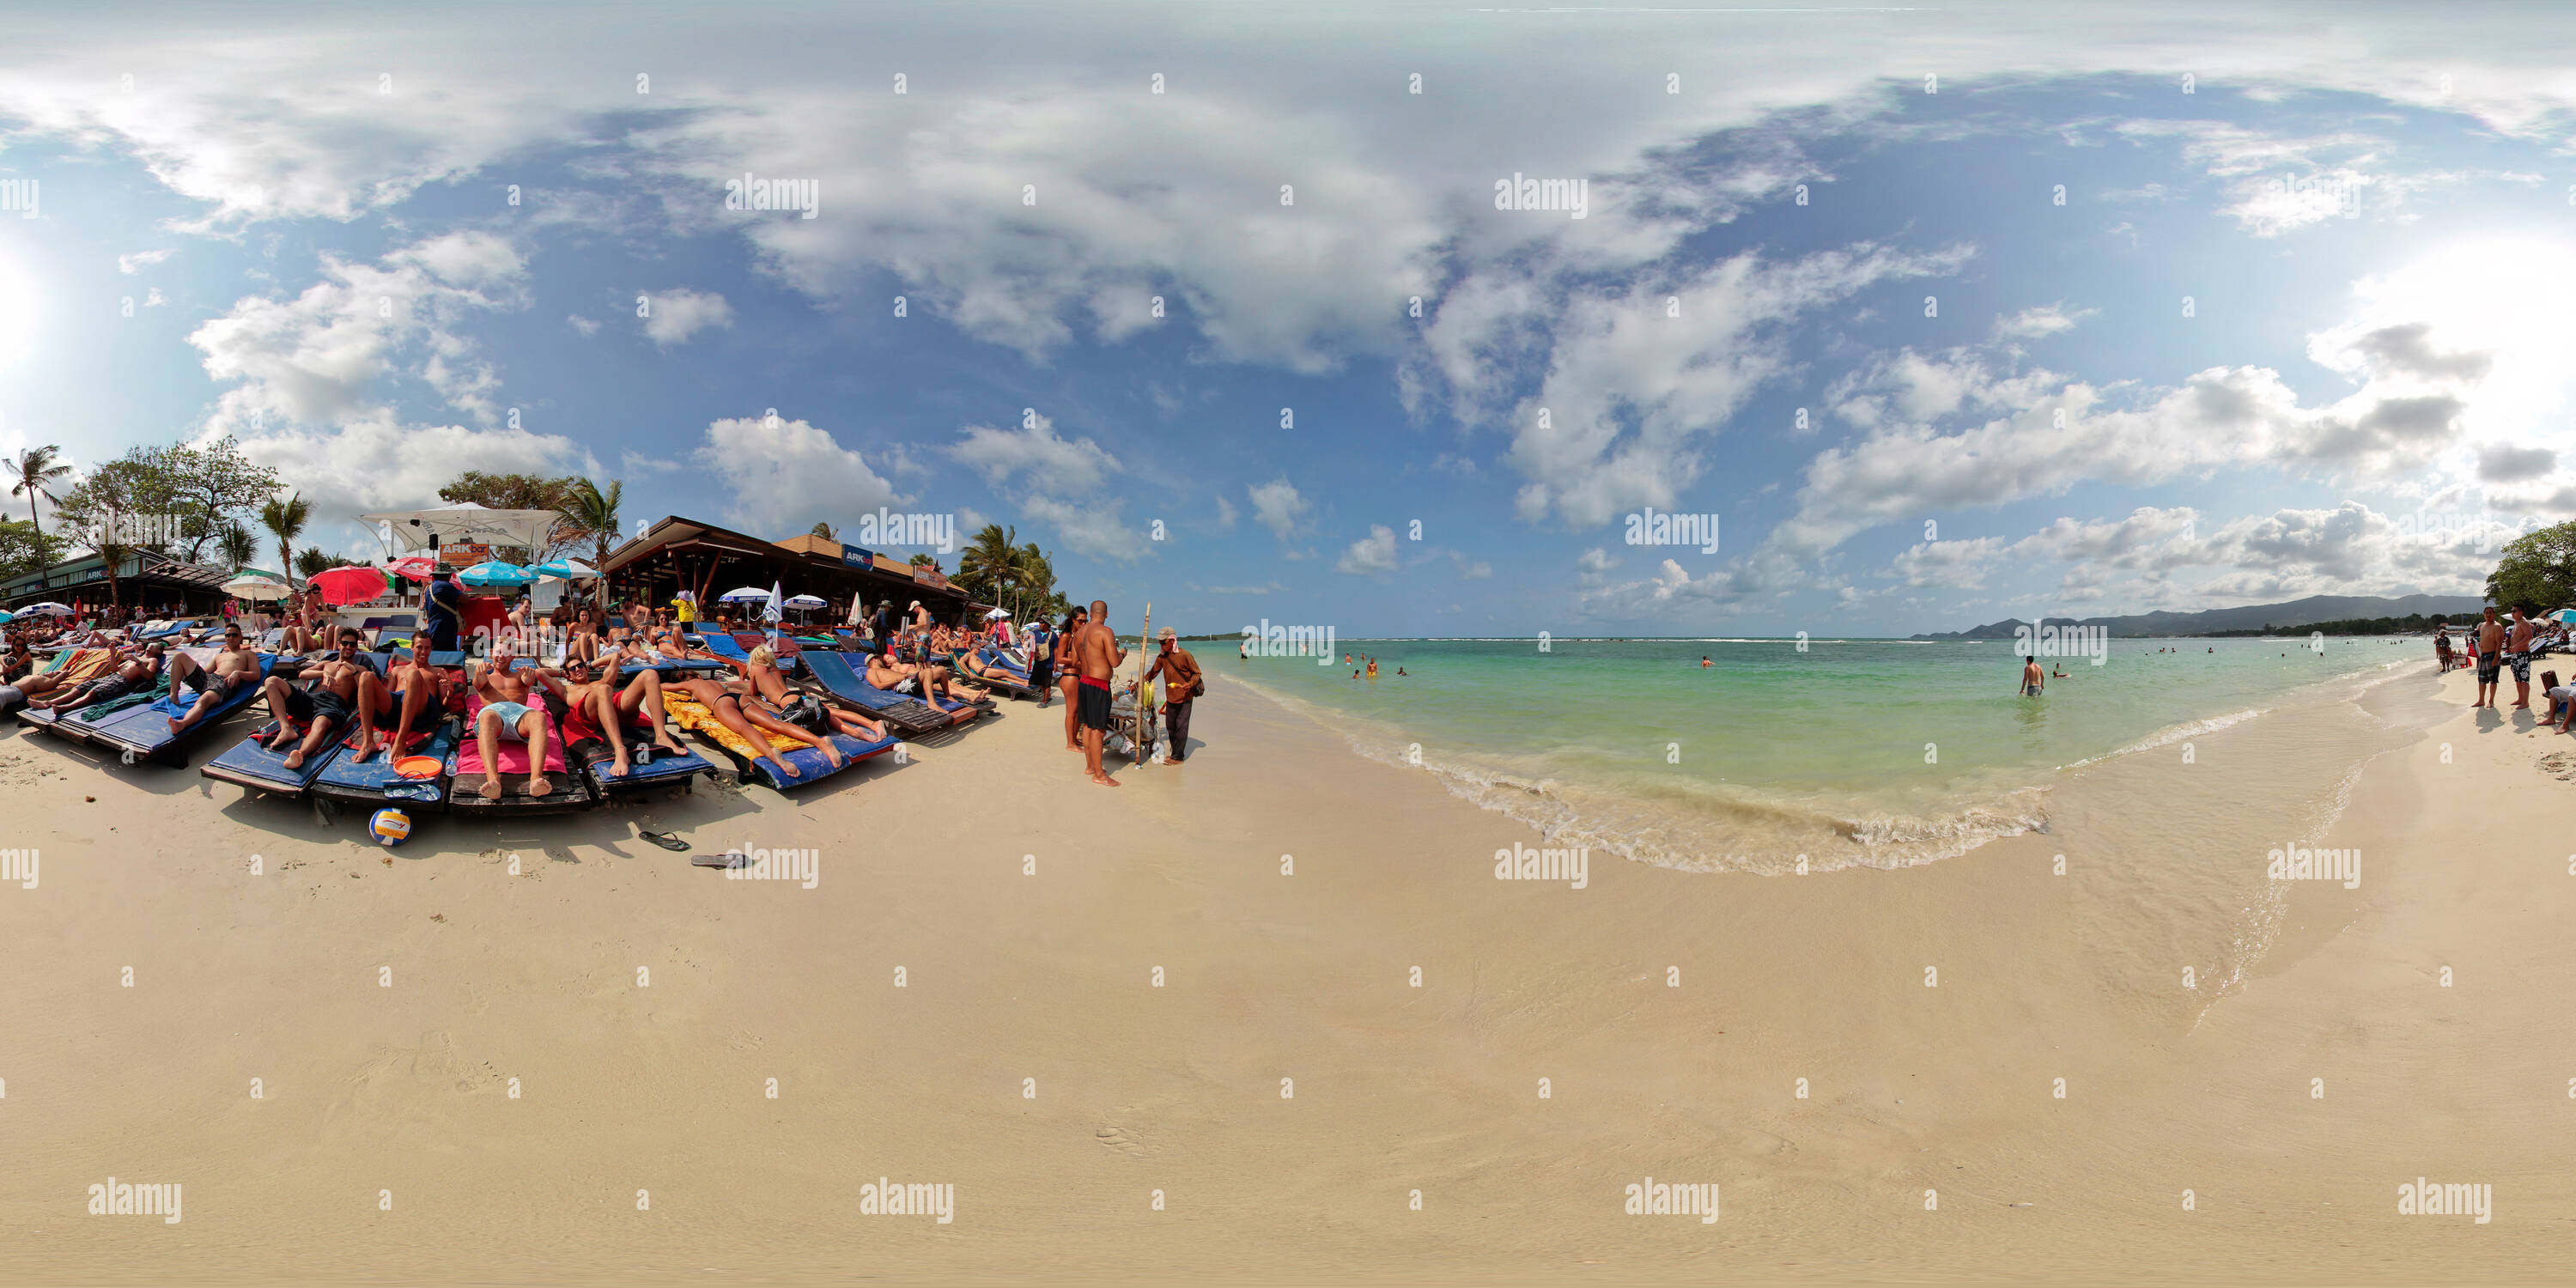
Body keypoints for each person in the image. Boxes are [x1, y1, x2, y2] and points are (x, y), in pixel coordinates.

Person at [669, 675, 843, 780]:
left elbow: (665, 687)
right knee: (776, 724)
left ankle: (772, 754)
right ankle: (820, 743)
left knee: (746, 729)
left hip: (721, 704)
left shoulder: (691, 684)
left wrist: (686, 690)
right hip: (739, 697)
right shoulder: (712, 681)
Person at [260, 629, 370, 770]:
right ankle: (286, 728)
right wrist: (323, 673)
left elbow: (365, 687)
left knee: (321, 724)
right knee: (272, 681)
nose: (348, 647)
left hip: (332, 704)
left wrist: (352, 670)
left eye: (352, 645)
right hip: (311, 699)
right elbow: (303, 674)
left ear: (356, 647)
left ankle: (299, 755)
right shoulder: (326, 664)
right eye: (345, 643)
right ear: (339, 645)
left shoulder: (359, 668)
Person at [467, 639, 563, 799]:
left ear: (512, 657)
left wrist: (528, 677)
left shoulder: (520, 676)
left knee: (539, 716)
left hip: (520, 715)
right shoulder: (485, 677)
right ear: (492, 653)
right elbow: (478, 683)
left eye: (506, 653)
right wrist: (479, 674)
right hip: (495, 715)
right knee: (487, 716)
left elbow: (528, 682)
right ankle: (493, 781)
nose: (501, 656)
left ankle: (536, 780)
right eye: (498, 652)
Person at [348, 636, 451, 762]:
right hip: (398, 705)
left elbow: (444, 704)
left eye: (427, 648)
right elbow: (388, 694)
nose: (423, 651)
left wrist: (450, 692)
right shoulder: (397, 670)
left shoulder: (438, 671)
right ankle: (368, 741)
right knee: (365, 676)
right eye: (419, 647)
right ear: (412, 648)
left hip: (422, 707)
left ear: (431, 650)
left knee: (413, 674)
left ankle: (400, 740)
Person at [166, 623, 262, 736]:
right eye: (228, 635)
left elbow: (256, 675)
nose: (231, 638)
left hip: (224, 682)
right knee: (179, 656)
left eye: (234, 635)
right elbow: (205, 672)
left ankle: (182, 724)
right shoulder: (219, 656)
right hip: (209, 679)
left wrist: (238, 673)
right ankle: (174, 695)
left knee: (202, 700)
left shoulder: (248, 654)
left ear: (241, 636)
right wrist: (187, 673)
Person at [29, 643, 164, 716]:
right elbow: (115, 669)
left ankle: (64, 708)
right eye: (148, 647)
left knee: (93, 692)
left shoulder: (152, 660)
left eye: (152, 647)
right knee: (78, 689)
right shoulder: (135, 658)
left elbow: (149, 676)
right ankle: (47, 702)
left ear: (159, 652)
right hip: (112, 677)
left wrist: (138, 661)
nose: (148, 648)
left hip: (121, 682)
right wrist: (112, 654)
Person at [1074, 598, 1124, 787]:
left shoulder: (1079, 633)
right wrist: (1122, 654)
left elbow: (1075, 659)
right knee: (1098, 730)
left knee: (1087, 726)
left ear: (1091, 612)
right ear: (1106, 614)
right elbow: (1114, 661)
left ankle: (1090, 767)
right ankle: (1099, 774)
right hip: (1098, 685)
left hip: (1084, 682)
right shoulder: (1105, 632)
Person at [1143, 627, 1201, 763]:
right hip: (1171, 697)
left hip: (1185, 697)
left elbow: (1197, 673)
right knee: (1170, 726)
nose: (1161, 645)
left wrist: (1191, 684)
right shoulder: (1162, 657)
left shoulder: (1185, 655)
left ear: (1172, 640)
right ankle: (1176, 752)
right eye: (1160, 643)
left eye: (1164, 642)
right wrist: (1140, 682)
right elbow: (1152, 673)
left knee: (1181, 726)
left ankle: (1178, 757)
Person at [1054, 608, 1087, 747]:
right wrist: (1078, 662)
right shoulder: (1067, 636)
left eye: (1086, 621)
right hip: (1069, 676)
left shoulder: (1079, 636)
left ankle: (1074, 739)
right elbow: (1059, 658)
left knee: (1079, 711)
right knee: (1072, 711)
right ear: (1073, 620)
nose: (1083, 624)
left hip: (1077, 676)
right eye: (1080, 621)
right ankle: (1070, 743)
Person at [422, 568, 464, 654]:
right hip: (446, 633)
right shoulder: (446, 586)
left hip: (433, 632)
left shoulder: (428, 589)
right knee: (448, 664)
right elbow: (465, 600)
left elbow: (427, 612)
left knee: (435, 663)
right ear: (448, 575)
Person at [2507, 605, 2537, 708]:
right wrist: (2512, 646)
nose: (2512, 613)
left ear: (2521, 612)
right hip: (2515, 654)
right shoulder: (2517, 623)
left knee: (2524, 679)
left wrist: (2517, 646)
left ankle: (2525, 702)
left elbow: (2529, 637)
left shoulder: (2524, 623)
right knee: (2517, 678)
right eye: (2512, 611)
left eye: (2514, 611)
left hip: (2523, 655)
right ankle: (2520, 698)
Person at [2475, 607, 2504, 708]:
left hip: (2492, 655)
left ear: (2494, 614)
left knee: (2493, 679)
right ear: (2484, 614)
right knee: (2481, 679)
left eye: (2490, 613)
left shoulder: (2497, 627)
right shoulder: (2482, 626)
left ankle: (2491, 701)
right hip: (2483, 656)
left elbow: (2499, 644)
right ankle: (2481, 700)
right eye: (2486, 613)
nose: (2488, 615)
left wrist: (2496, 658)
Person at [1025, 617, 1057, 708]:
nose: (1040, 624)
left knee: (1046, 682)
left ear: (1047, 624)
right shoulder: (1035, 633)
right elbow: (1028, 642)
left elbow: (1056, 650)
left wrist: (1055, 663)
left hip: (1048, 663)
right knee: (1036, 680)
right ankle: (1048, 696)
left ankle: (1045, 700)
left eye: (1042, 622)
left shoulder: (1053, 635)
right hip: (1038, 662)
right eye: (1040, 622)